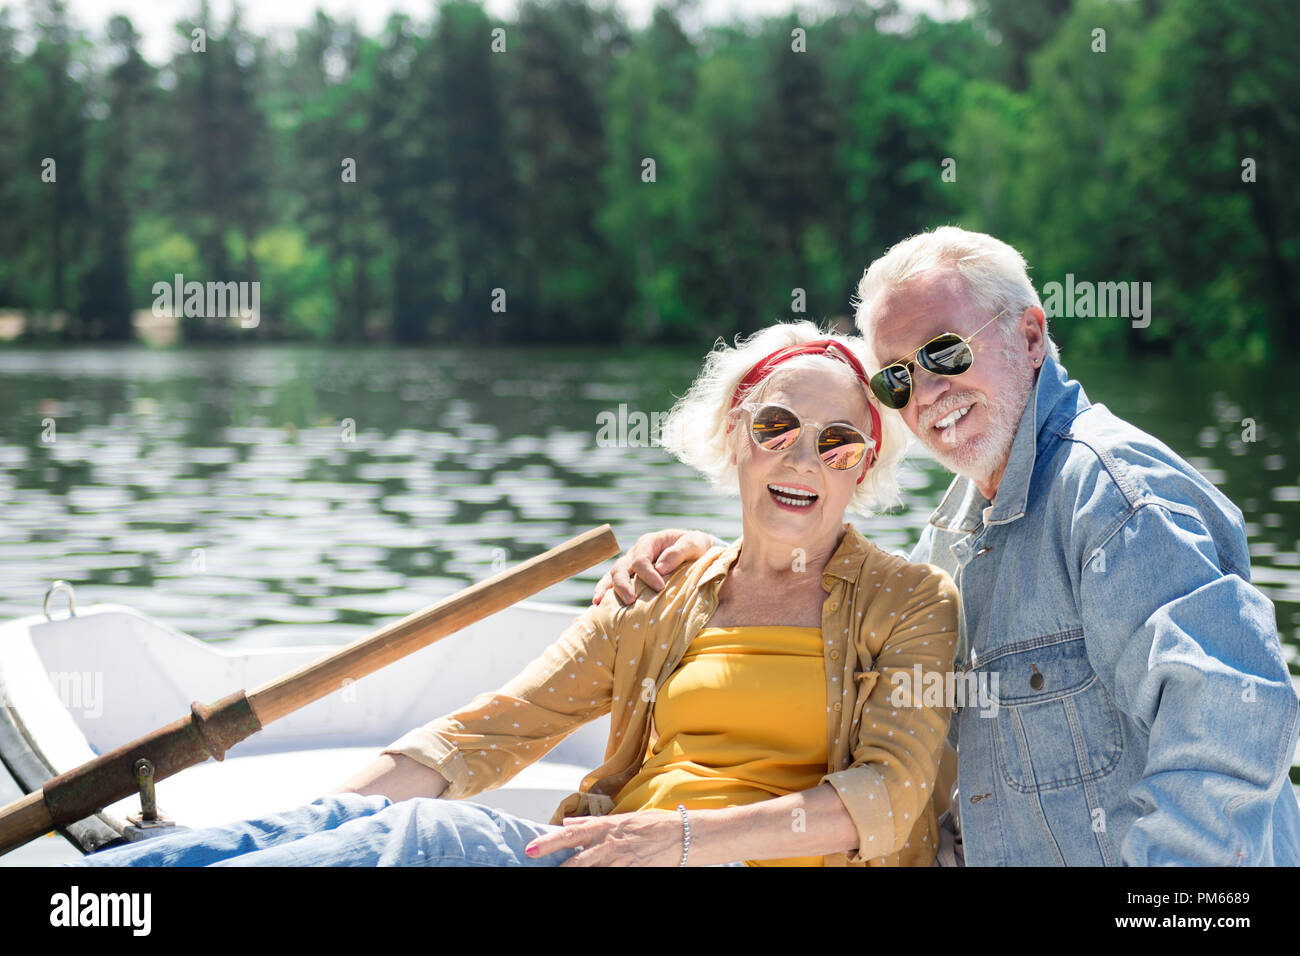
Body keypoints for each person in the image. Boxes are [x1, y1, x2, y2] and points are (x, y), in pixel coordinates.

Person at [76, 320, 960, 867]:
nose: (804, 459)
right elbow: (498, 726)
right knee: (348, 827)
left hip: (717, 864)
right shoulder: (665, 589)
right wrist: (325, 825)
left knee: (429, 843)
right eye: (777, 427)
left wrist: (679, 841)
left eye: (839, 441)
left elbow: (888, 800)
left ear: (868, 466)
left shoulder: (909, 603)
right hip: (606, 858)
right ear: (735, 437)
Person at [594, 227, 1300, 867]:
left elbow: (1235, 719)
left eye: (944, 352)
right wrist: (713, 561)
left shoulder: (1113, 494)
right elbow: (864, 611)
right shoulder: (957, 525)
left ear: (1029, 336)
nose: (926, 391)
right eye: (896, 377)